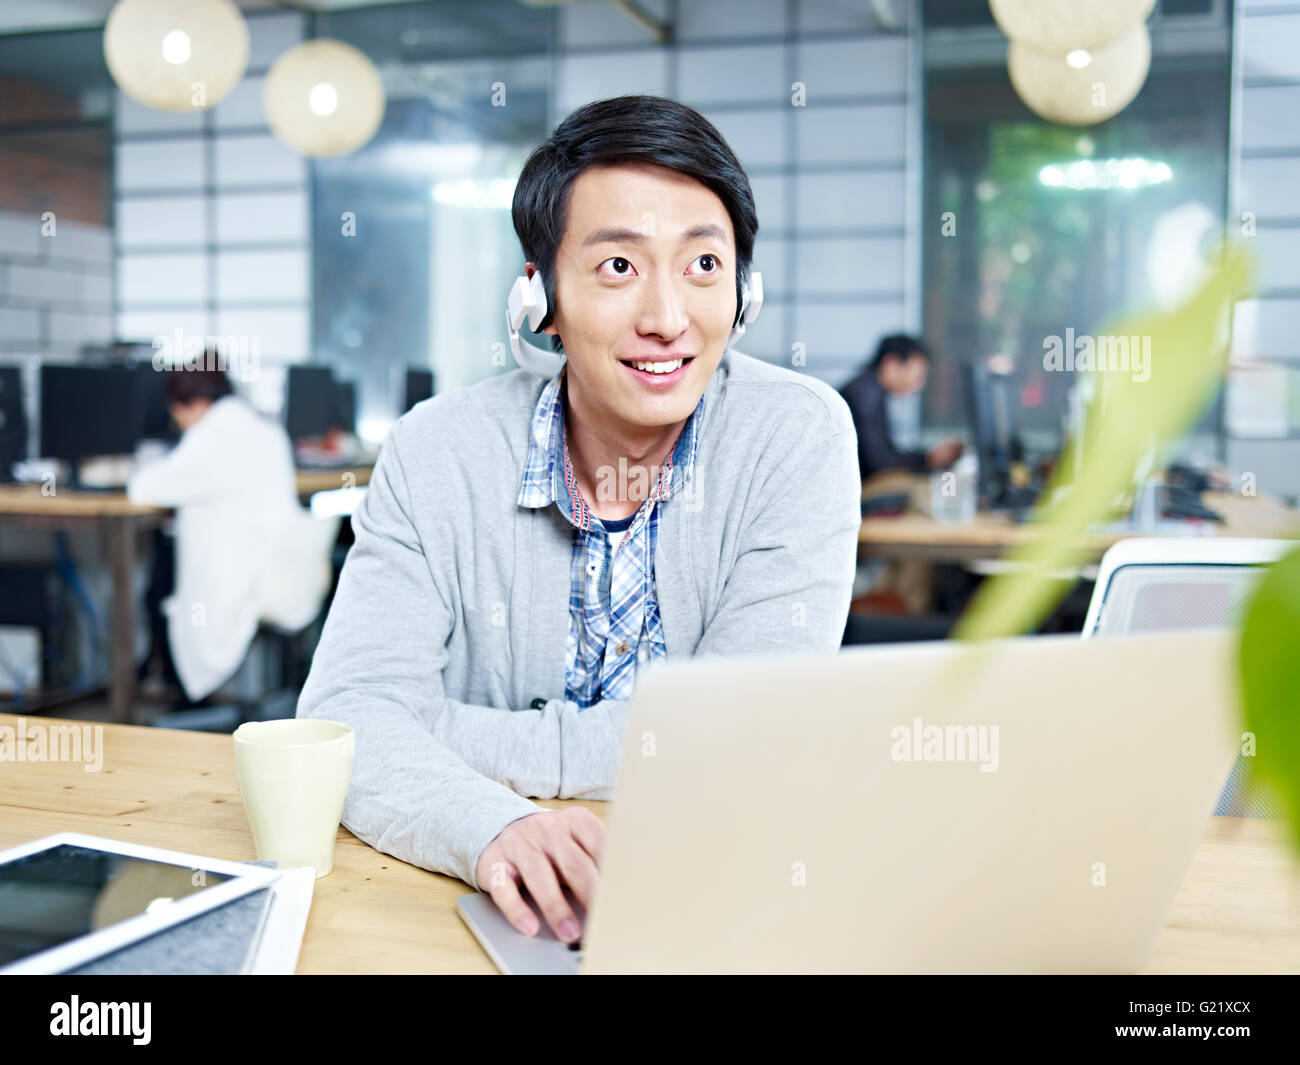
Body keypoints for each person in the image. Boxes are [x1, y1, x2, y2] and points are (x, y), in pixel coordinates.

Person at [295, 94, 863, 946]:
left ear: (744, 293)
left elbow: (743, 736)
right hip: (469, 905)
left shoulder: (798, 434)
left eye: (703, 265)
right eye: (619, 268)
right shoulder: (434, 450)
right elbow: (347, 718)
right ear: (540, 301)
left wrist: (446, 732)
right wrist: (491, 825)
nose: (668, 318)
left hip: (724, 899)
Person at [127, 363, 335, 704]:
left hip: (244, 581)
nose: (177, 425)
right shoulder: (265, 430)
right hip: (285, 571)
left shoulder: (211, 436)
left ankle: (181, 697)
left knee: (158, 588)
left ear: (195, 405)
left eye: (176, 414)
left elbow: (145, 488)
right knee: (164, 570)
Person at [840, 333, 964, 480]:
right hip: (859, 485)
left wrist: (927, 457)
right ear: (892, 364)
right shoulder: (863, 396)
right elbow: (877, 463)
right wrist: (927, 460)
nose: (919, 384)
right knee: (919, 490)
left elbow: (887, 453)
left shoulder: (871, 390)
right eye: (918, 375)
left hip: (862, 481)